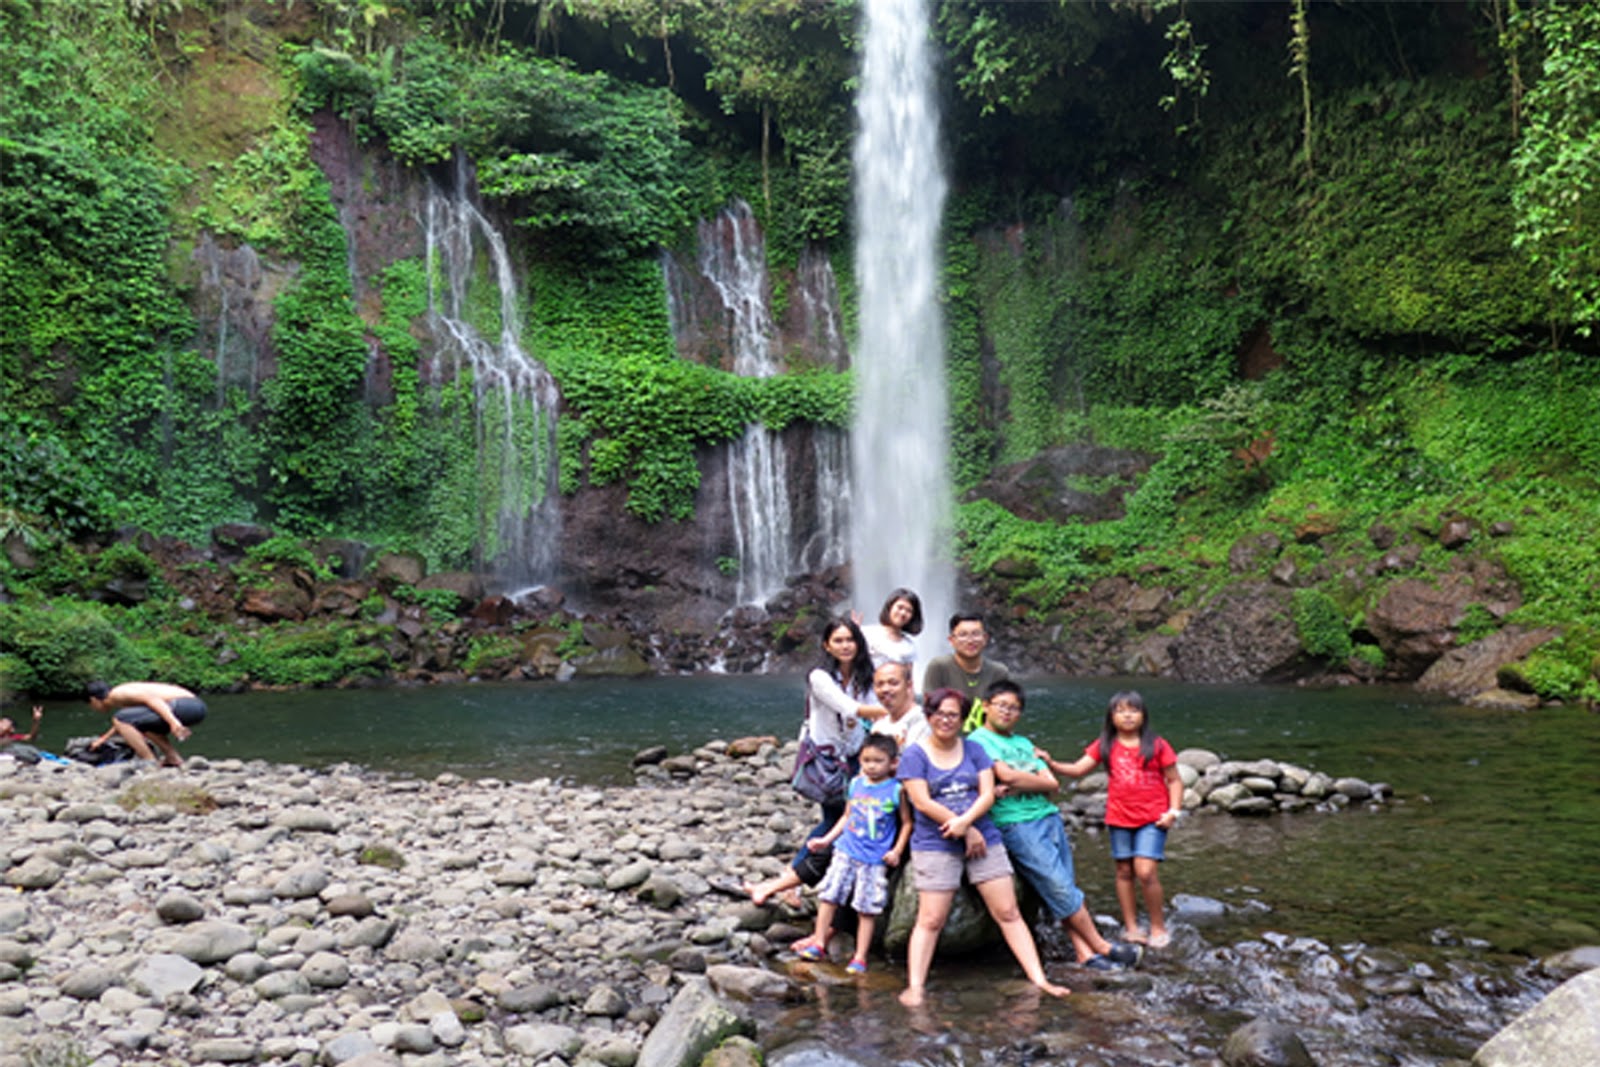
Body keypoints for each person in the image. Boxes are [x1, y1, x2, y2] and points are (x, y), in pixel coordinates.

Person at [897, 687, 1069, 1007]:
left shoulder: (974, 748)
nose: (946, 720)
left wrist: (969, 825)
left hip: (982, 835)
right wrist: (962, 828)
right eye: (940, 714)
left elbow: (987, 794)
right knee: (931, 919)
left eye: (954, 715)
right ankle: (916, 986)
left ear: (963, 719)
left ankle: (1040, 979)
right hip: (936, 841)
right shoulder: (914, 755)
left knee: (1008, 911)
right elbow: (920, 800)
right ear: (928, 716)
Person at [970, 680, 1143, 971]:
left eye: (1014, 708)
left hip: (1048, 816)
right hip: (1016, 823)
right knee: (1059, 886)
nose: (1007, 712)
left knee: (1064, 886)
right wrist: (1034, 781)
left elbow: (1052, 783)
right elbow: (1008, 776)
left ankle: (1084, 954)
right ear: (985, 706)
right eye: (1001, 705)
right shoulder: (978, 740)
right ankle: (1102, 945)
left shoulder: (1023, 743)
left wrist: (1033, 782)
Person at [744, 618, 882, 909]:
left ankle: (786, 881)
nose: (845, 646)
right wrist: (903, 711)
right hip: (829, 760)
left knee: (836, 822)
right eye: (839, 640)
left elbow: (875, 700)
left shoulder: (864, 676)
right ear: (826, 645)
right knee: (837, 821)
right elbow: (852, 709)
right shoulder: (819, 677)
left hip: (857, 756)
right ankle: (786, 882)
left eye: (850, 639)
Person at [1042, 690, 1182, 948]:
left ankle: (1157, 926)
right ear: (1111, 716)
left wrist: (1173, 811)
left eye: (1133, 710)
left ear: (1143, 715)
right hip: (1119, 817)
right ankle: (1131, 927)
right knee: (1124, 871)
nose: (1127, 716)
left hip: (1153, 817)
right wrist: (1052, 763)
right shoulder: (1105, 744)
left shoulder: (1157, 744)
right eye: (1121, 711)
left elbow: (1174, 780)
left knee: (1146, 870)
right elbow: (1078, 768)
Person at [792, 733, 912, 974]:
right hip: (845, 851)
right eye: (866, 760)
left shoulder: (896, 790)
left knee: (866, 907)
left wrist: (896, 851)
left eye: (878, 761)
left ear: (893, 763)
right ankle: (818, 942)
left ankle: (860, 956)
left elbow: (907, 823)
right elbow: (847, 816)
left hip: (874, 859)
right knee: (829, 896)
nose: (871, 766)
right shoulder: (856, 784)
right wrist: (826, 840)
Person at [86, 681, 207, 767]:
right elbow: (126, 724)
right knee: (140, 723)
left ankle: (149, 761)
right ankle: (173, 758)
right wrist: (103, 739)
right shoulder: (118, 694)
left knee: (122, 718)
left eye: (91, 706)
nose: (94, 709)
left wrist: (173, 722)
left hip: (185, 705)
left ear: (93, 700)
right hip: (195, 706)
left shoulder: (118, 693)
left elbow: (153, 700)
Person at [921, 612, 1008, 730]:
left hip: (985, 741)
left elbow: (1002, 716)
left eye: (976, 634)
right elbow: (930, 712)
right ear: (951, 640)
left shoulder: (998, 672)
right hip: (947, 739)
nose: (970, 640)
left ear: (985, 638)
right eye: (963, 635)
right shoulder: (939, 667)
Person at [869, 661, 929, 750]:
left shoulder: (924, 721)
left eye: (893, 683)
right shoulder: (878, 727)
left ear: (909, 685)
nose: (885, 689)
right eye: (879, 684)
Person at [859, 588, 923, 670]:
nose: (903, 613)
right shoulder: (867, 633)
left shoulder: (908, 646)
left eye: (909, 611)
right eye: (900, 607)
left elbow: (907, 678)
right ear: (890, 607)